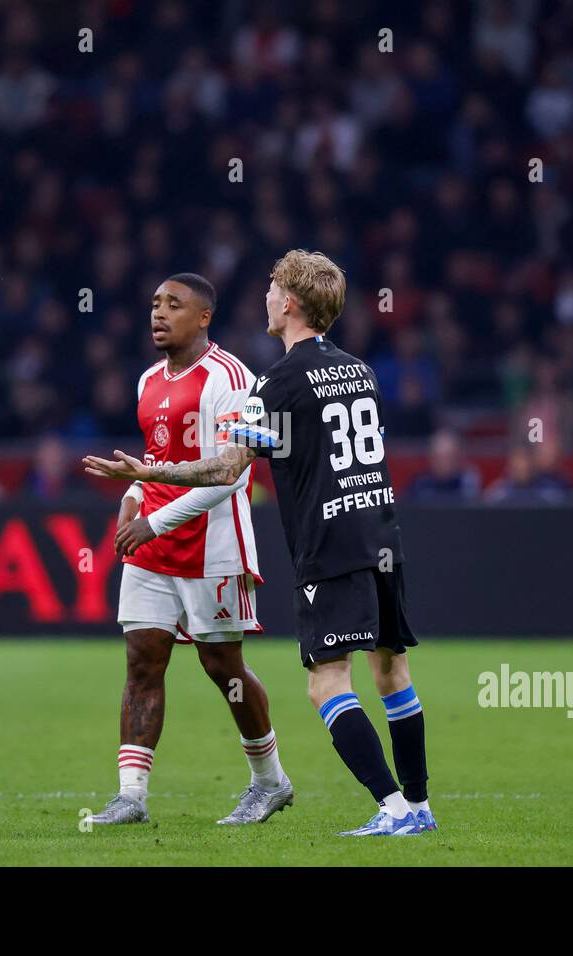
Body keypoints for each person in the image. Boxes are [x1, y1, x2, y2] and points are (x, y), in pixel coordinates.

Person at [86, 251, 431, 837]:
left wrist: (147, 475)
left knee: (325, 681)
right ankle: (418, 806)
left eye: (272, 290)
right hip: (380, 534)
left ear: (290, 302)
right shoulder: (359, 369)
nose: (266, 299)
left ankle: (392, 809)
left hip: (329, 544)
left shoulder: (275, 380)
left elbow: (227, 471)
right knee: (392, 672)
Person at [86, 273, 292, 827]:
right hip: (152, 545)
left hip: (213, 545)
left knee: (220, 664)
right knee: (141, 661)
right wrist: (133, 494)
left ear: (203, 317)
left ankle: (269, 782)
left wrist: (154, 521)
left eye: (173, 305)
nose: (159, 313)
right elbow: (160, 456)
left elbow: (229, 477)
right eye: (155, 303)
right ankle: (131, 796)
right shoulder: (148, 379)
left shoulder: (233, 379)